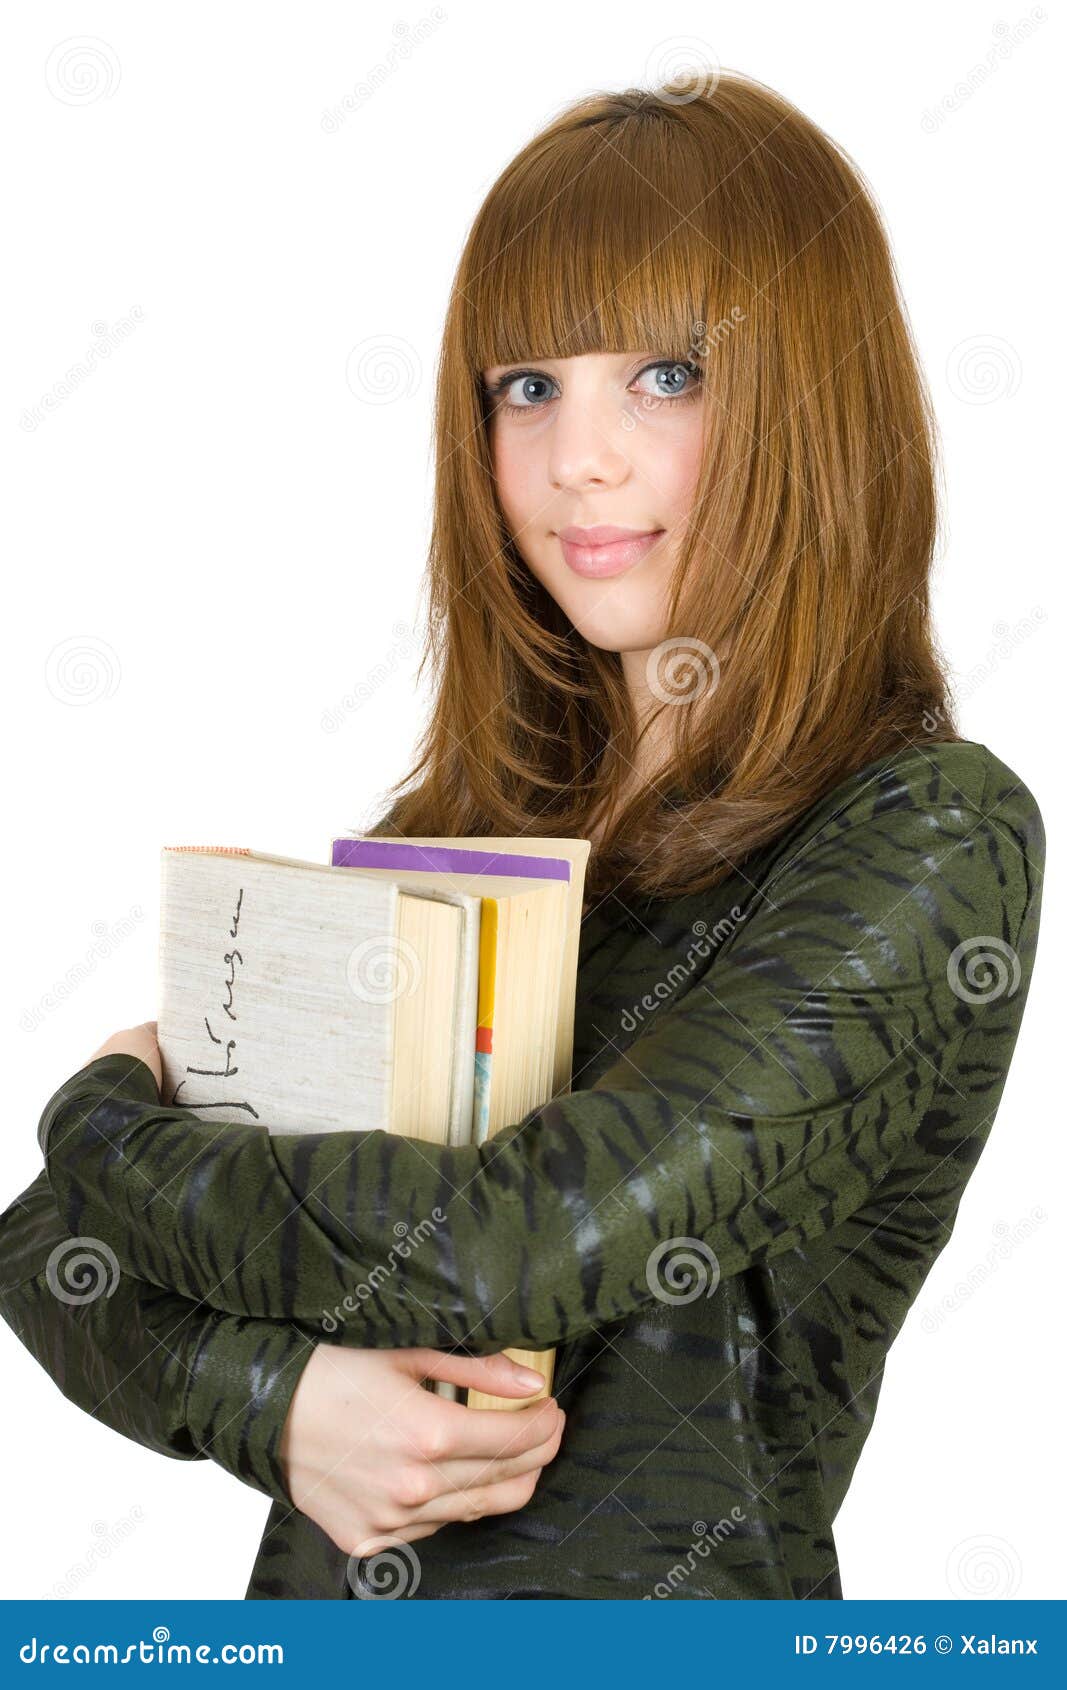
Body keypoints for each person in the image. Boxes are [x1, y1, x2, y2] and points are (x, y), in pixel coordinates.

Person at [0, 72, 1043, 1601]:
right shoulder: (453, 838)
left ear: (816, 398)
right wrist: (276, 1402)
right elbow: (44, 1255)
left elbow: (516, 1246)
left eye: (668, 375)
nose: (579, 462)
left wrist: (103, 1125)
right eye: (528, 386)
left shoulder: (926, 836)